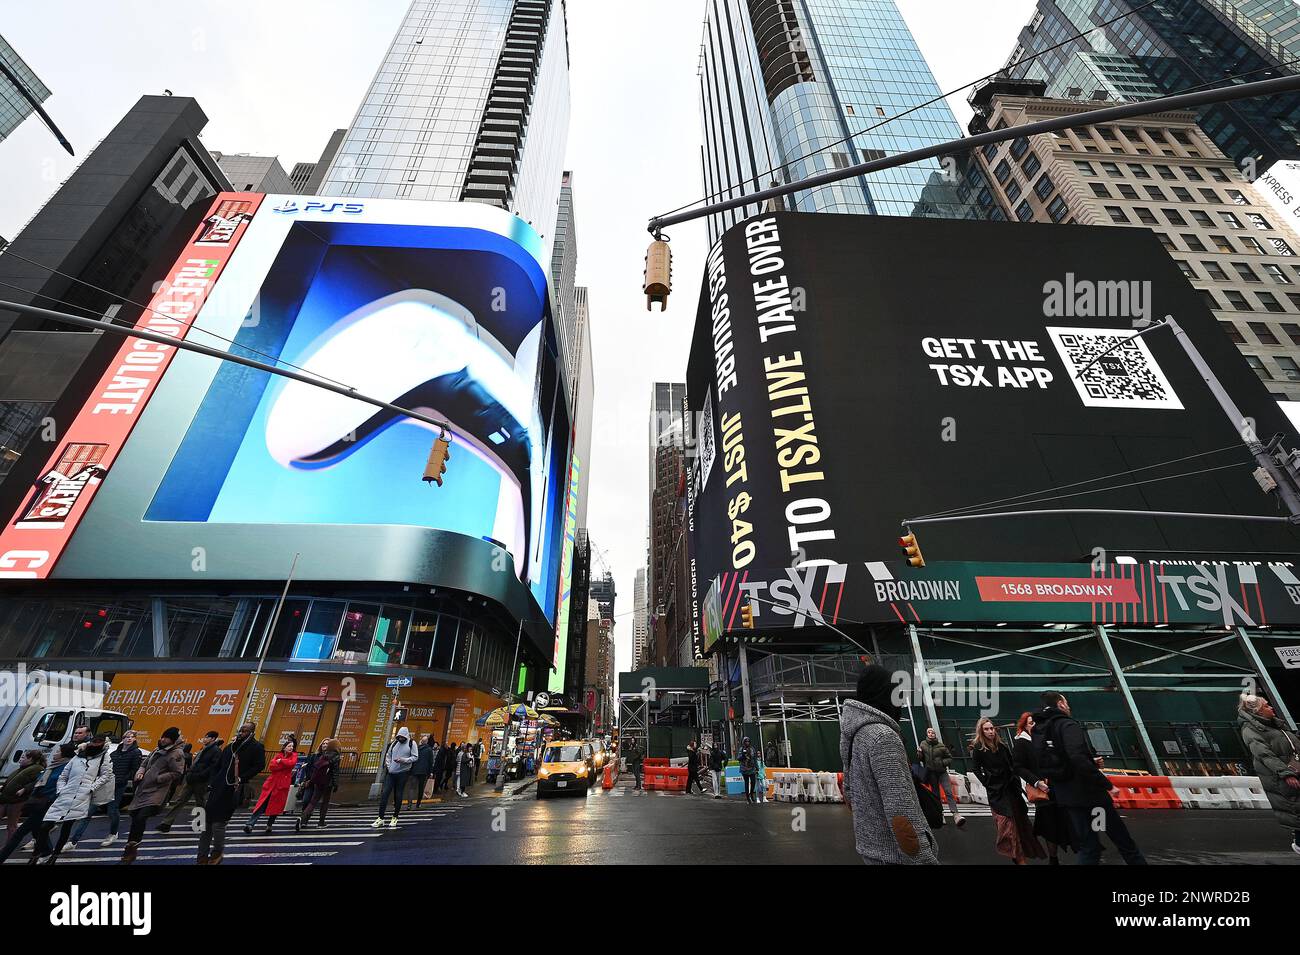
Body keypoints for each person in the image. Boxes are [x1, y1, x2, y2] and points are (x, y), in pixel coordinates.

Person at [840, 665, 937, 865]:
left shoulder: (853, 735)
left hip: (872, 847)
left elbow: (849, 793)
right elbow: (900, 808)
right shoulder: (883, 737)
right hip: (897, 854)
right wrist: (922, 858)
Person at [1034, 691, 1146, 865]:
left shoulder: (1040, 729)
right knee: (1123, 841)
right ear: (1061, 704)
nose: (1069, 706)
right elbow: (1077, 758)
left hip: (1067, 797)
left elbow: (1054, 760)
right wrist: (1107, 785)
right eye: (1066, 702)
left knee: (1089, 846)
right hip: (1090, 796)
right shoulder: (1067, 725)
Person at [970, 717, 1044, 865]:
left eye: (991, 728)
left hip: (1011, 789)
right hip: (997, 792)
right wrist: (987, 783)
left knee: (1020, 824)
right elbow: (976, 769)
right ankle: (1018, 857)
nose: (990, 731)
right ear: (981, 731)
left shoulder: (1001, 745)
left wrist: (1016, 780)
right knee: (1008, 826)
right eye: (987, 729)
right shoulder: (978, 748)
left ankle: (1019, 856)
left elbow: (1012, 764)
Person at [1237, 693, 1300, 853]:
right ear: (1257, 711)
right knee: (1295, 809)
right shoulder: (1251, 730)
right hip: (1282, 776)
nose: (1271, 707)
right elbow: (1264, 753)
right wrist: (1285, 773)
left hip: (1294, 770)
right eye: (1266, 706)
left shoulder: (1276, 725)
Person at [197, 723, 265, 865]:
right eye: (240, 730)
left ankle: (217, 852)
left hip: (232, 788)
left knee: (218, 824)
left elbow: (259, 765)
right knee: (207, 824)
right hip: (218, 787)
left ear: (252, 732)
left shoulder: (256, 747)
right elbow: (218, 765)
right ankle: (201, 857)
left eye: (245, 731)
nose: (241, 733)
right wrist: (213, 781)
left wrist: (242, 778)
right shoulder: (230, 747)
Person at [39, 733, 113, 864]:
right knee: (44, 827)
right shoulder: (78, 755)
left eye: (99, 741)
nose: (95, 744)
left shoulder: (103, 757)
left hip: (82, 796)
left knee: (66, 827)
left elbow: (106, 775)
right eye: (94, 741)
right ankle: (45, 851)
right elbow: (64, 775)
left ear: (103, 744)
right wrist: (61, 789)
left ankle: (54, 856)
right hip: (66, 793)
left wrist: (91, 787)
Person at [1012, 711, 1073, 864]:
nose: (1034, 726)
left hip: (1058, 787)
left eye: (1036, 723)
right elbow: (1018, 767)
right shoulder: (1021, 743)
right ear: (1024, 726)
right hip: (1043, 791)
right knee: (1049, 827)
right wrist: (1036, 782)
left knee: (1067, 821)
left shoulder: (1045, 740)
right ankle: (1054, 859)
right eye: (1031, 723)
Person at [120, 726, 186, 864]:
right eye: (163, 736)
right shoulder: (157, 749)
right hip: (143, 787)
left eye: (166, 738)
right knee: (135, 816)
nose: (163, 739)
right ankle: (130, 848)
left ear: (172, 740)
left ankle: (130, 851)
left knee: (141, 817)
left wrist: (158, 778)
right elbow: (145, 763)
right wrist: (141, 771)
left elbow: (177, 773)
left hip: (157, 791)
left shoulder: (177, 753)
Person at [0, 743, 75, 864]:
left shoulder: (66, 767)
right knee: (37, 830)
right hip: (37, 802)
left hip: (45, 804)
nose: (55, 754)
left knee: (19, 833)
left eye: (58, 752)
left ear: (63, 755)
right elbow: (38, 781)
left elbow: (59, 786)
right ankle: (47, 851)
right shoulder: (53, 766)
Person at [158, 730, 221, 832]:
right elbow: (196, 762)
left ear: (213, 739)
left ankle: (200, 823)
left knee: (200, 803)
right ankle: (166, 823)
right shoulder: (204, 749)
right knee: (180, 800)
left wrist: (202, 776)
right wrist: (189, 772)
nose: (204, 739)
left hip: (201, 781)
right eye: (205, 737)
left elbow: (213, 767)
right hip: (191, 778)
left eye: (207, 737)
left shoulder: (215, 751)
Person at [245, 736, 299, 834]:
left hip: (281, 785)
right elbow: (272, 766)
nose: (291, 747)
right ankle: (250, 824)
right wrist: (281, 764)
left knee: (276, 806)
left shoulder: (293, 755)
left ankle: (269, 825)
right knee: (261, 804)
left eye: (292, 746)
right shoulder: (278, 755)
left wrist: (281, 762)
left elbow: (291, 763)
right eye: (289, 746)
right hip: (272, 783)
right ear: (284, 747)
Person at [917, 727, 965, 829]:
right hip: (931, 773)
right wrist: (919, 753)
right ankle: (940, 814)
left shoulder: (941, 745)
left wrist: (942, 763)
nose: (931, 734)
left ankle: (956, 814)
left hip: (942, 772)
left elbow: (949, 758)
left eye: (932, 732)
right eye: (929, 732)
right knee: (936, 794)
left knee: (948, 792)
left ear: (935, 734)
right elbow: (921, 759)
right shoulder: (923, 744)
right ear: (927, 734)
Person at [375, 726, 419, 827]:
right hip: (391, 772)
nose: (400, 739)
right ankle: (380, 817)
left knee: (398, 795)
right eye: (399, 737)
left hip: (403, 772)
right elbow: (388, 755)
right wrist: (389, 766)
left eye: (402, 737)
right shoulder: (394, 743)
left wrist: (404, 760)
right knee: (385, 794)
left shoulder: (412, 743)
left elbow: (415, 757)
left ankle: (395, 817)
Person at [296, 738, 341, 831]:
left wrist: (311, 780)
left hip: (318, 781)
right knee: (325, 802)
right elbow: (335, 772)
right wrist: (336, 784)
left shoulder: (323, 756)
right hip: (328, 782)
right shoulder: (336, 756)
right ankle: (321, 822)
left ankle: (302, 817)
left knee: (313, 801)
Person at [0, 750, 45, 840]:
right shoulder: (22, 768)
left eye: (23, 757)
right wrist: (3, 787)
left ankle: (9, 845)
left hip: (17, 800)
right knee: (11, 824)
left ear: (31, 759)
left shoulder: (37, 769)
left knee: (12, 825)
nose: (20, 759)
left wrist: (25, 789)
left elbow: (38, 781)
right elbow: (12, 781)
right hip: (6, 798)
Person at [411, 734, 434, 808]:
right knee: (421, 788)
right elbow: (431, 762)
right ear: (426, 742)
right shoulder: (429, 750)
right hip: (424, 771)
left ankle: (409, 804)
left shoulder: (417, 748)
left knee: (412, 788)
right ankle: (418, 803)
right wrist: (430, 772)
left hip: (415, 770)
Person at [737, 737, 759, 803]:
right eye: (746, 742)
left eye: (748, 741)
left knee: (753, 782)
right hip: (744, 768)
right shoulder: (741, 749)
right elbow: (738, 758)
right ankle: (747, 797)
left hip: (752, 767)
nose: (747, 743)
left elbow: (754, 758)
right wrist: (743, 755)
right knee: (746, 783)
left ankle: (752, 794)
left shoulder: (752, 749)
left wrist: (757, 767)